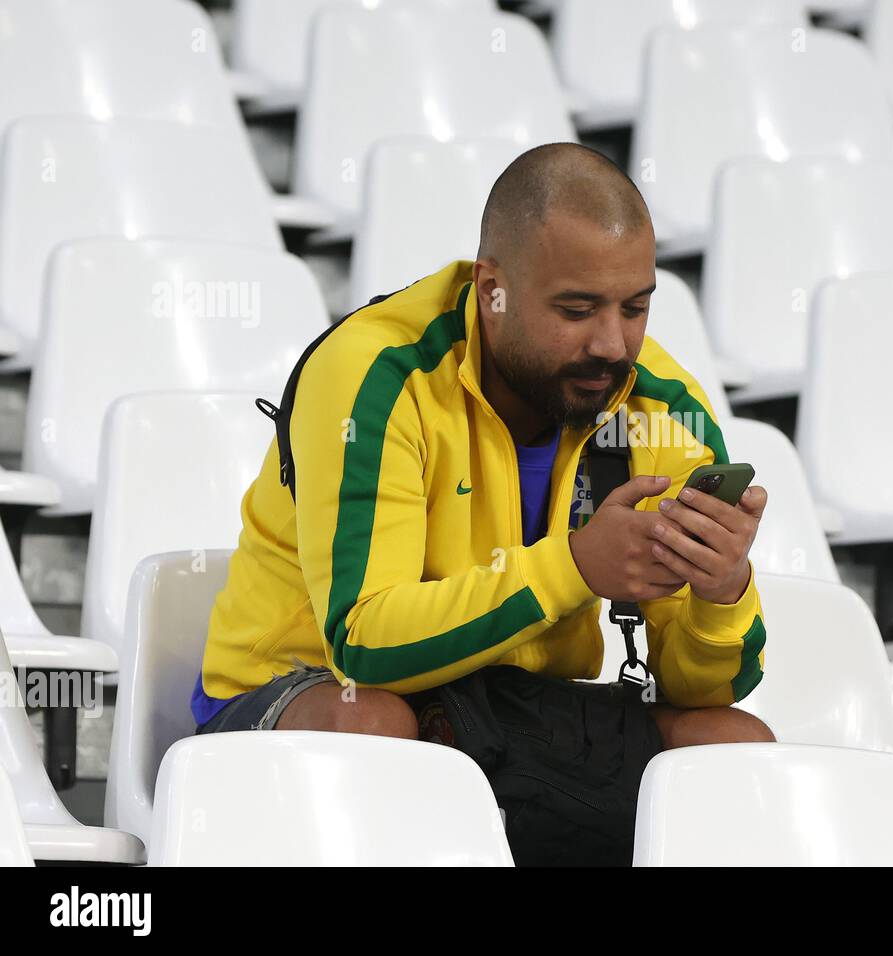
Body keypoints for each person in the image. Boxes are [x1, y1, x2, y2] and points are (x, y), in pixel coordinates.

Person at [190, 142, 772, 861]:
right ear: (491, 288)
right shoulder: (374, 375)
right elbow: (365, 645)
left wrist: (722, 594)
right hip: (307, 693)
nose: (612, 343)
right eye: (577, 309)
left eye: (636, 307)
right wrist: (574, 569)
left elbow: (703, 689)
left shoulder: (659, 405)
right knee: (376, 725)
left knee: (733, 747)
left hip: (506, 706)